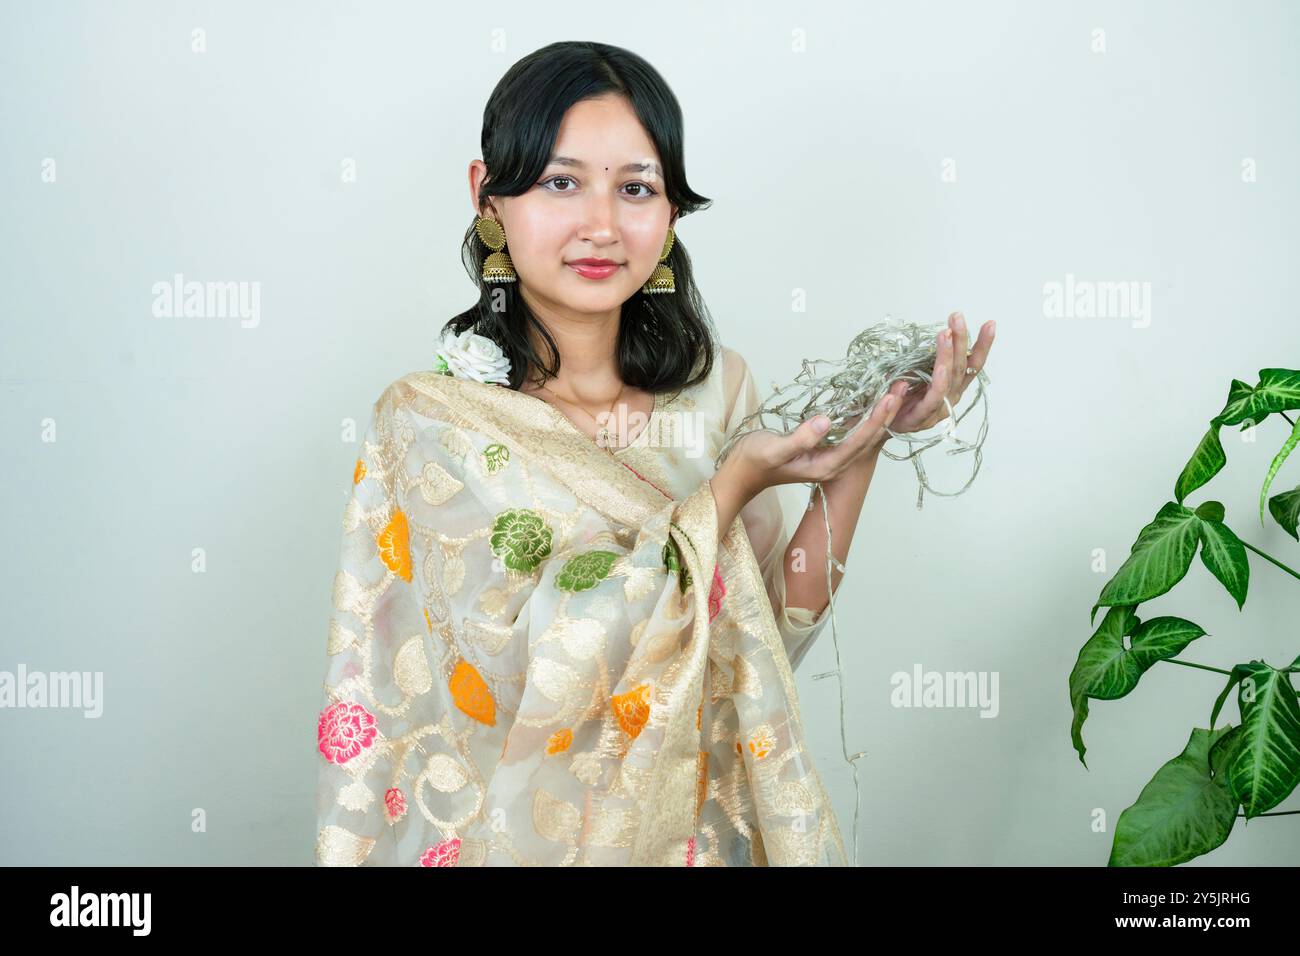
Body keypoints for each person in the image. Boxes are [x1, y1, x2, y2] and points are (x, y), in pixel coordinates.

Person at [314, 40, 995, 867]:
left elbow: (763, 642)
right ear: (488, 197)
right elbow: (512, 680)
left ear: (670, 213)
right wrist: (725, 495)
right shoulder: (433, 426)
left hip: (702, 840)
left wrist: (865, 446)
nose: (602, 225)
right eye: (561, 183)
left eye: (636, 189)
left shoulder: (717, 395)